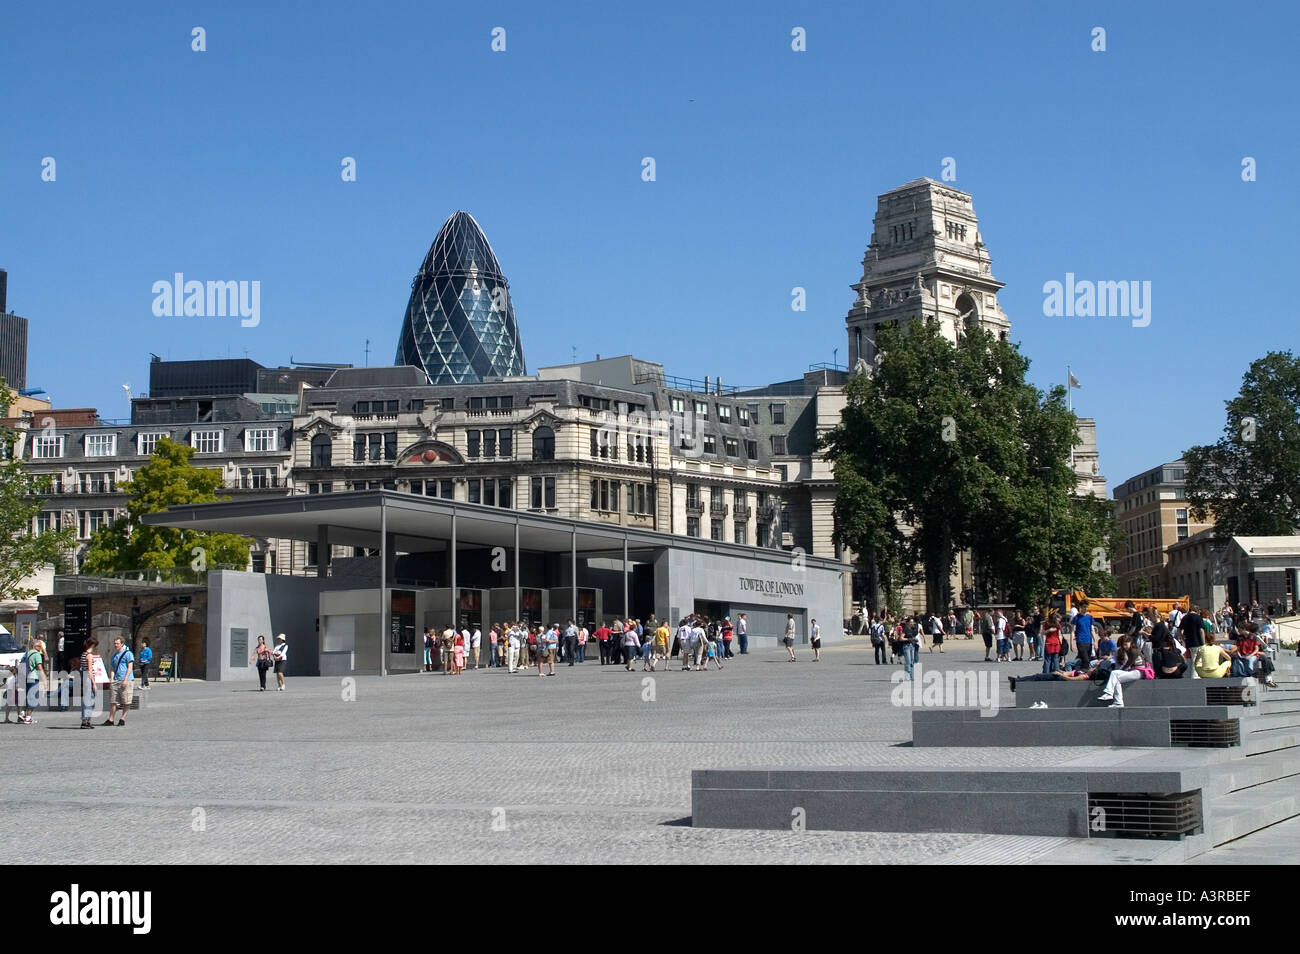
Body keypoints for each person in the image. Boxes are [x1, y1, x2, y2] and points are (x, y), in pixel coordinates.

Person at [1097, 636, 1149, 708]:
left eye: (1126, 644)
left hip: (1139, 671)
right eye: (1123, 645)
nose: (1124, 646)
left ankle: (1109, 693)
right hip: (1134, 670)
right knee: (1115, 677)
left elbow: (1128, 664)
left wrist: (1121, 670)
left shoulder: (1134, 651)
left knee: (1115, 674)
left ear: (1130, 643)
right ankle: (1118, 702)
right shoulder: (1129, 650)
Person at [104, 636, 134, 726]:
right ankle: (111, 719)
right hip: (116, 680)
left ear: (122, 644)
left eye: (117, 643)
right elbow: (113, 668)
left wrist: (125, 679)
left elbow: (130, 667)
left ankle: (122, 719)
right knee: (113, 701)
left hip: (126, 680)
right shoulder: (114, 655)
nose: (115, 645)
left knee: (126, 701)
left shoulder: (128, 654)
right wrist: (112, 680)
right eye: (115, 643)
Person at [18, 638, 47, 725]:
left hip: (26, 677)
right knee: (33, 697)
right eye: (40, 646)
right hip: (33, 677)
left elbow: (21, 663)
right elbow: (39, 667)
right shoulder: (37, 654)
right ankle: (28, 717)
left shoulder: (27, 653)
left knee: (28, 695)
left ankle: (22, 713)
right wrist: (44, 679)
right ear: (37, 646)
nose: (41, 648)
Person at [75, 635, 100, 729]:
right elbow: (90, 670)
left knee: (88, 699)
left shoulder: (83, 654)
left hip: (84, 677)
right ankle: (86, 721)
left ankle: (86, 720)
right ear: (92, 645)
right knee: (89, 700)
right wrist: (94, 683)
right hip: (88, 678)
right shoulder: (89, 655)